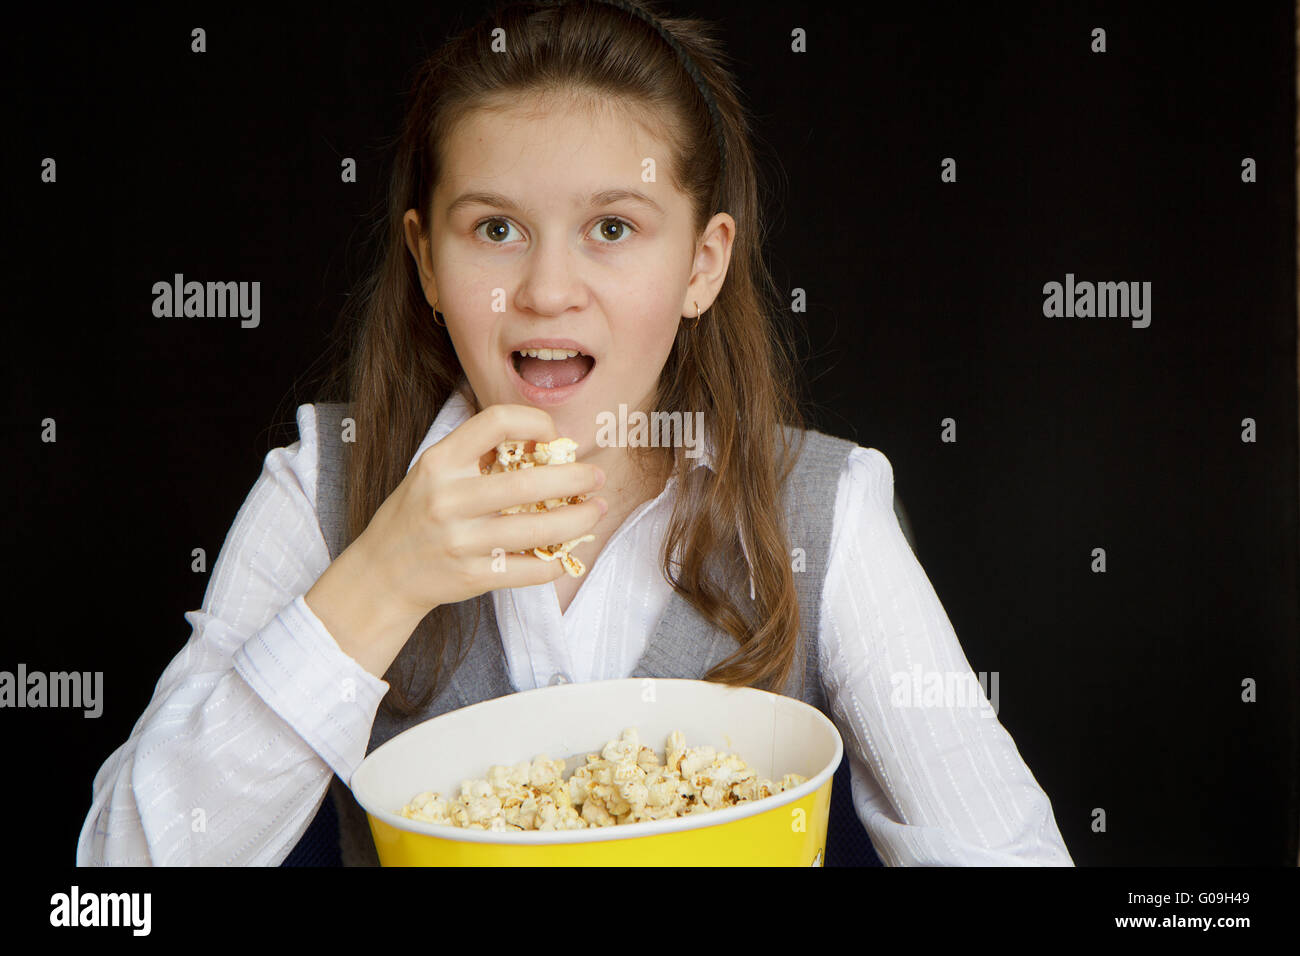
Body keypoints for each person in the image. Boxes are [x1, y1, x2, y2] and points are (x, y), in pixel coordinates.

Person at [77, 0, 1073, 866]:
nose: (548, 292)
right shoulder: (322, 489)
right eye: (496, 229)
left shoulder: (826, 509)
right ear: (426, 262)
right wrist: (381, 578)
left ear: (702, 263)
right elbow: (118, 879)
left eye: (612, 227)